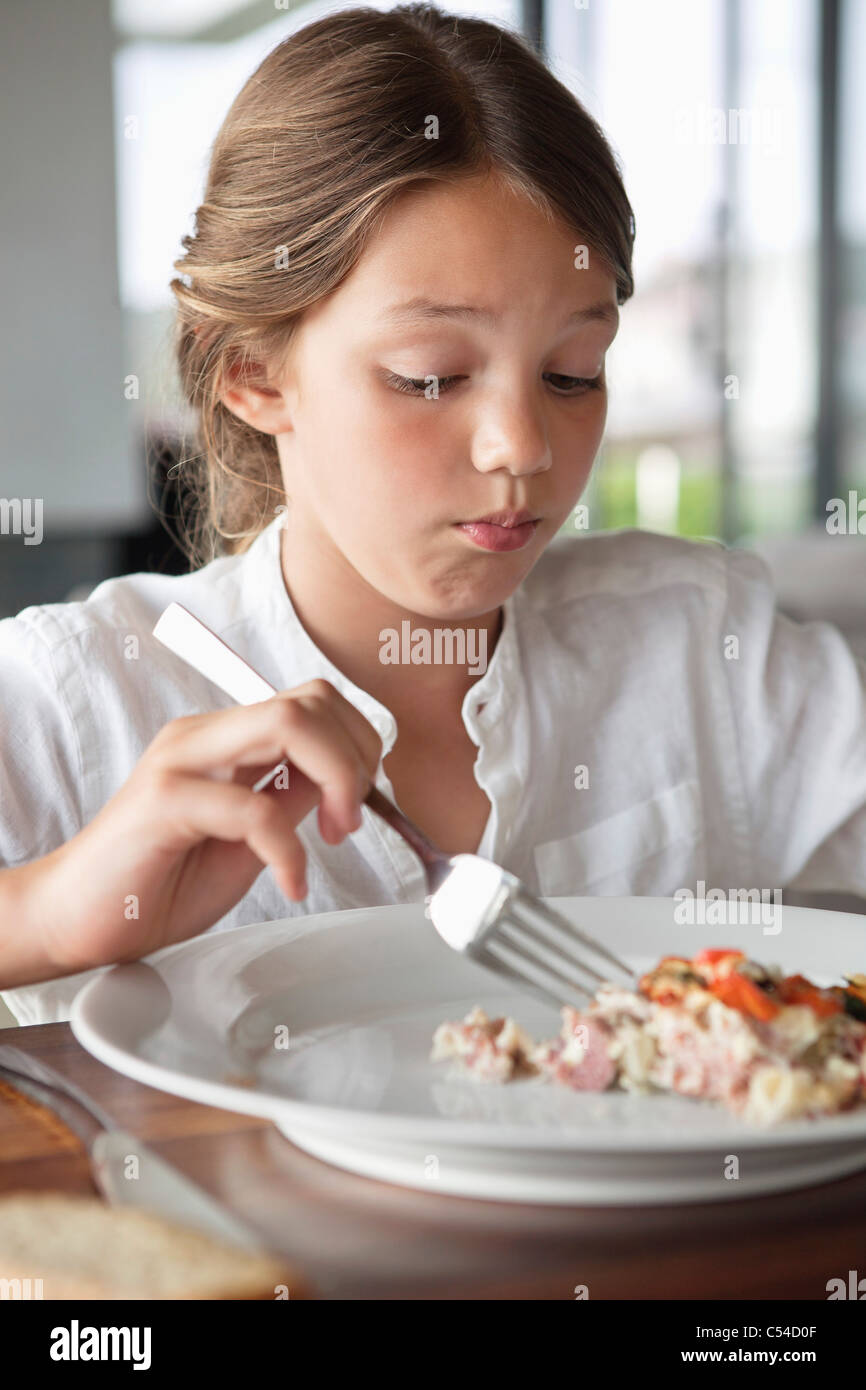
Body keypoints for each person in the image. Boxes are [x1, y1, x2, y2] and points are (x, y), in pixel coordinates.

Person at [2, 2, 865, 1026]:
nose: (522, 446)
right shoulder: (74, 697)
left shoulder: (700, 643)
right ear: (253, 374)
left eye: (570, 372)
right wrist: (48, 916)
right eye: (429, 377)